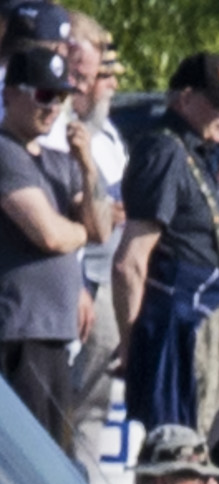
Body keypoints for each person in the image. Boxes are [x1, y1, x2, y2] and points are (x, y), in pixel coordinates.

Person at [113, 49, 219, 436]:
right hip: (180, 328)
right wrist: (132, 349)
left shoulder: (196, 151)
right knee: (181, 446)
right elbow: (130, 262)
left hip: (207, 324)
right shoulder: (164, 150)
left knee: (203, 443)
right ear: (185, 98)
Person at [0, 41, 91, 443]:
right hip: (20, 333)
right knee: (29, 462)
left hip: (54, 334)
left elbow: (102, 225)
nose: (53, 107)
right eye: (42, 94)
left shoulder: (57, 162)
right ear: (9, 94)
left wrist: (87, 168)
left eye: (61, 96)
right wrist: (81, 231)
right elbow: (51, 235)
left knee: (57, 461)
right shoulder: (4, 152)